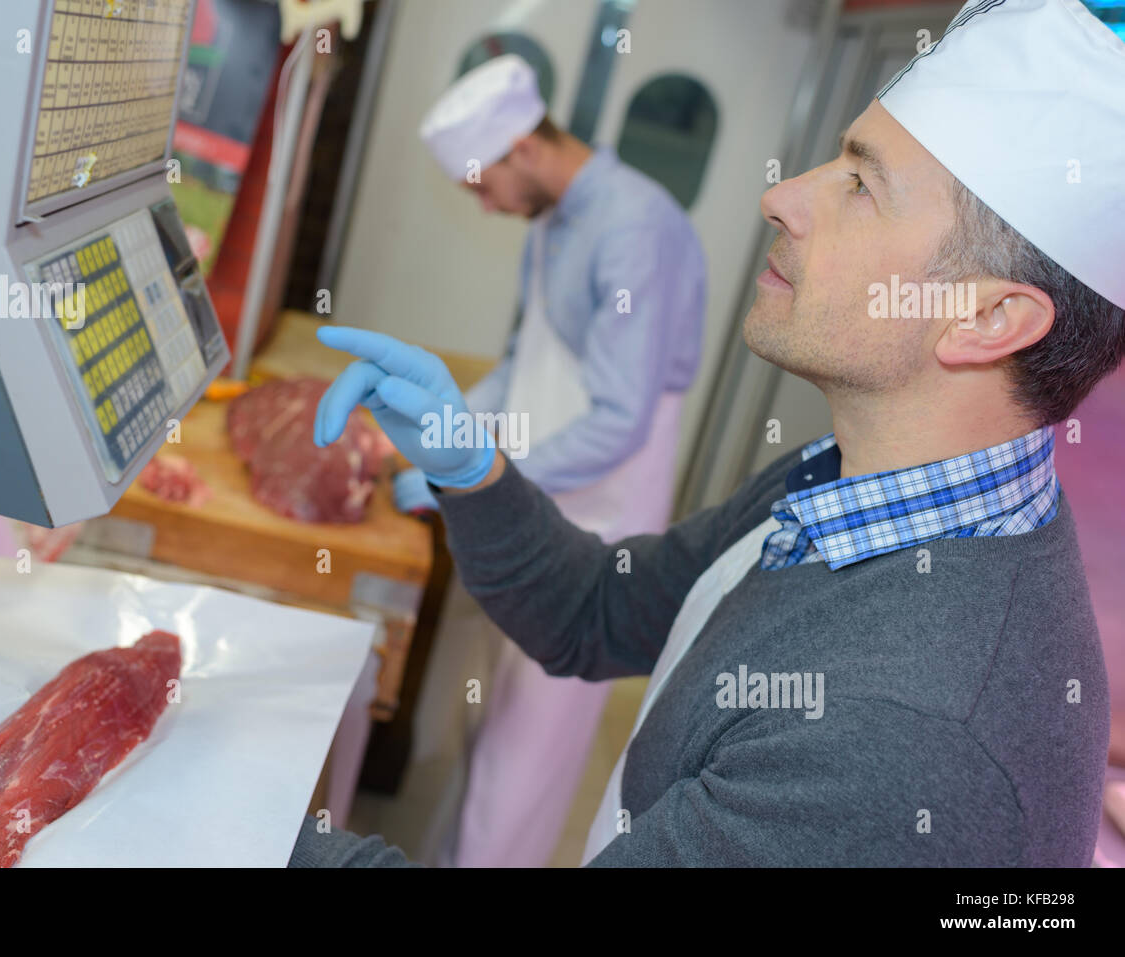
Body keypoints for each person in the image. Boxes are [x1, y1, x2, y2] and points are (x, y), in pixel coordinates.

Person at [293, 0, 1124, 866]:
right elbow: (597, 610)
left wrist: (243, 828)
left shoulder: (909, 740)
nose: (781, 195)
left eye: (861, 187)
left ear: (988, 317)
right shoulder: (838, 484)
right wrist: (471, 469)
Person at [392, 54, 706, 866]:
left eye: (478, 183)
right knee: (486, 728)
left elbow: (617, 422)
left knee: (526, 762)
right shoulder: (554, 218)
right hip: (539, 495)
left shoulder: (635, 224)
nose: (481, 203)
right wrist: (439, 430)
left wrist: (481, 480)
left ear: (522, 149)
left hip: (597, 521)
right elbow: (521, 362)